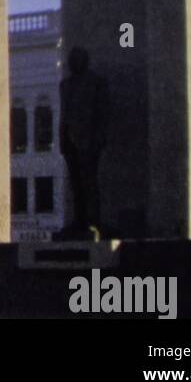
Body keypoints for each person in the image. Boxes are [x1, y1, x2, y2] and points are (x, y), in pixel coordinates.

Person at [58, 47, 109, 240]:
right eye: (70, 59)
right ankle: (78, 220)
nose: (72, 63)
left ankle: (93, 221)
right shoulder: (65, 85)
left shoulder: (96, 83)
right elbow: (64, 114)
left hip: (88, 141)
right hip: (70, 141)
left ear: (84, 61)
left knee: (89, 182)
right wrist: (62, 138)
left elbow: (103, 113)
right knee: (75, 183)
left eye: (76, 59)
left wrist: (99, 138)